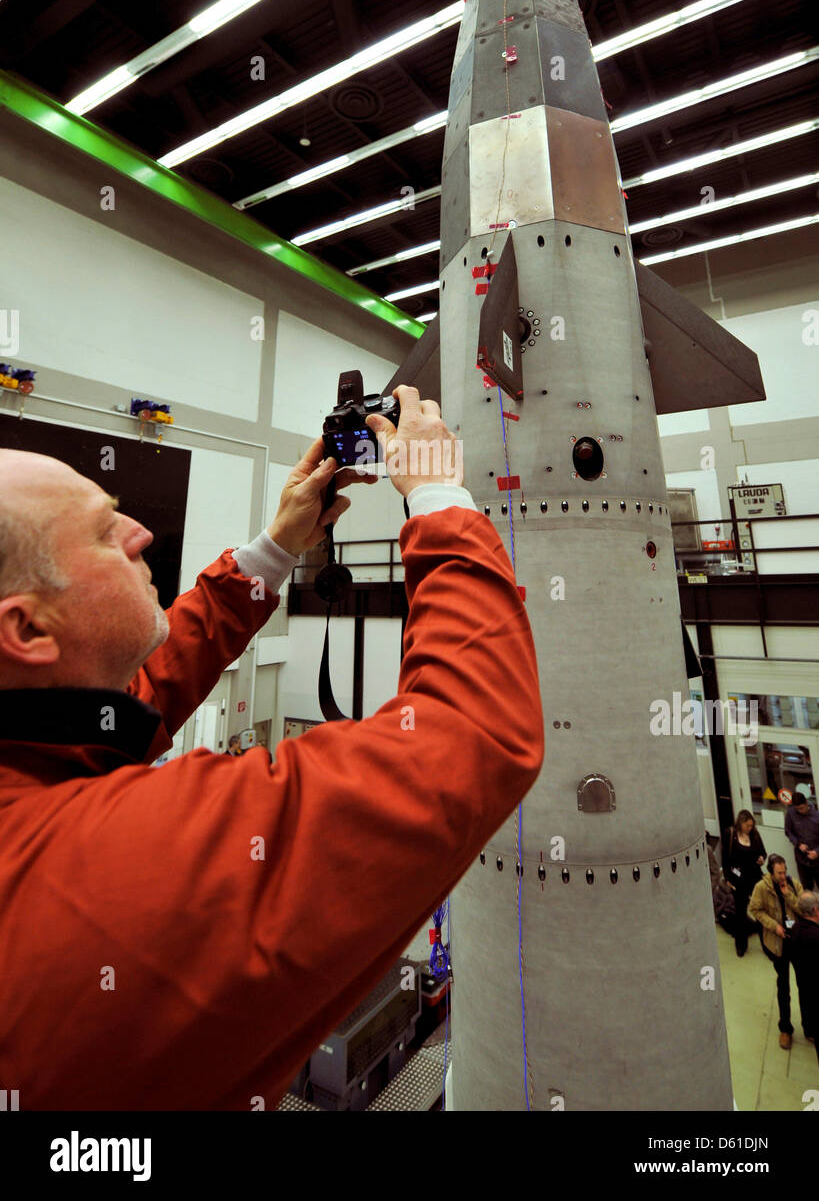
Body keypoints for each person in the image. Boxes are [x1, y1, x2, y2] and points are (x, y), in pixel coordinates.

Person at [0, 385, 544, 1110]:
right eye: (105, 533)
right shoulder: (93, 875)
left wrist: (278, 546)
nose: (140, 533)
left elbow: (126, 704)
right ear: (27, 630)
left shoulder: (33, 742)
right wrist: (441, 498)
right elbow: (471, 735)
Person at [749, 854, 804, 1049]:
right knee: (784, 987)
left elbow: (803, 910)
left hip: (797, 942)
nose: (783, 876)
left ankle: (810, 1027)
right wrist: (774, 926)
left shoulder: (793, 884)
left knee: (804, 985)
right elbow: (754, 909)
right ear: (771, 872)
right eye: (779, 873)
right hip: (778, 944)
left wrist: (788, 893)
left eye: (785, 871)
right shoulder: (761, 888)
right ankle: (785, 1029)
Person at [724, 809, 766, 956]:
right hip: (739, 880)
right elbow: (726, 859)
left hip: (755, 878)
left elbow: (763, 852)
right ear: (740, 823)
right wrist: (728, 879)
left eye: (751, 826)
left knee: (760, 911)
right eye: (747, 826)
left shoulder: (754, 834)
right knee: (741, 913)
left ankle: (766, 945)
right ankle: (741, 945)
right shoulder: (730, 834)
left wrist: (761, 859)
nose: (749, 828)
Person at [789, 892, 819, 1062]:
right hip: (815, 983)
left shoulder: (796, 928)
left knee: (805, 1000)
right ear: (815, 910)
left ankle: (809, 1031)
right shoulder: (815, 936)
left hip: (803, 977)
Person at [784, 792, 819, 891]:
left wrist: (817, 852)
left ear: (806, 803)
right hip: (802, 859)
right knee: (806, 888)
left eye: (802, 808)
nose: (800, 811)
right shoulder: (791, 813)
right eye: (797, 809)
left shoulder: (817, 816)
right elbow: (788, 831)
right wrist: (798, 844)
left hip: (817, 859)